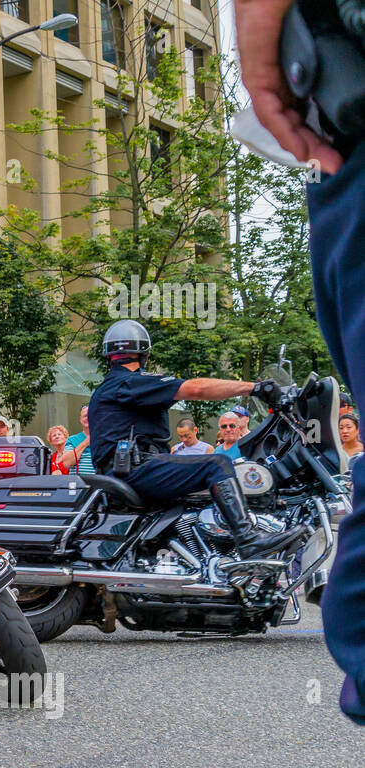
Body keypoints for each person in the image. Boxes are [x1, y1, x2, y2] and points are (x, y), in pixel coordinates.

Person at [235, 0, 365, 723]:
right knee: (209, 471)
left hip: (347, 118)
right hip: (134, 465)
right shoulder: (126, 394)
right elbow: (191, 384)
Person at [88, 320, 305, 560]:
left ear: (109, 355)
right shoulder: (131, 382)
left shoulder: (122, 386)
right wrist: (255, 388)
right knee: (218, 464)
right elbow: (197, 389)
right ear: (144, 353)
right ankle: (248, 539)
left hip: (128, 469)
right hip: (135, 470)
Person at [62, 405, 96, 476]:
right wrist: (86, 442)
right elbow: (67, 463)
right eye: (85, 416)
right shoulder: (72, 440)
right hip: (78, 485)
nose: (88, 418)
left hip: (102, 484)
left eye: (91, 415)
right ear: (80, 419)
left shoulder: (105, 438)